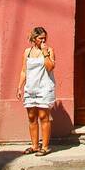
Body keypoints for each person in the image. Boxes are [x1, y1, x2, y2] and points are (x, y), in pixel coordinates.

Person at [16, 27, 57, 155]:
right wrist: (19, 87)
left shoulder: (49, 50)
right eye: (40, 38)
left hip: (44, 87)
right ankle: (34, 146)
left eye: (45, 37)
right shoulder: (27, 52)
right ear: (34, 39)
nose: (43, 40)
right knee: (31, 116)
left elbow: (50, 67)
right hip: (31, 87)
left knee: (44, 116)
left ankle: (45, 146)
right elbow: (24, 70)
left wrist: (45, 52)